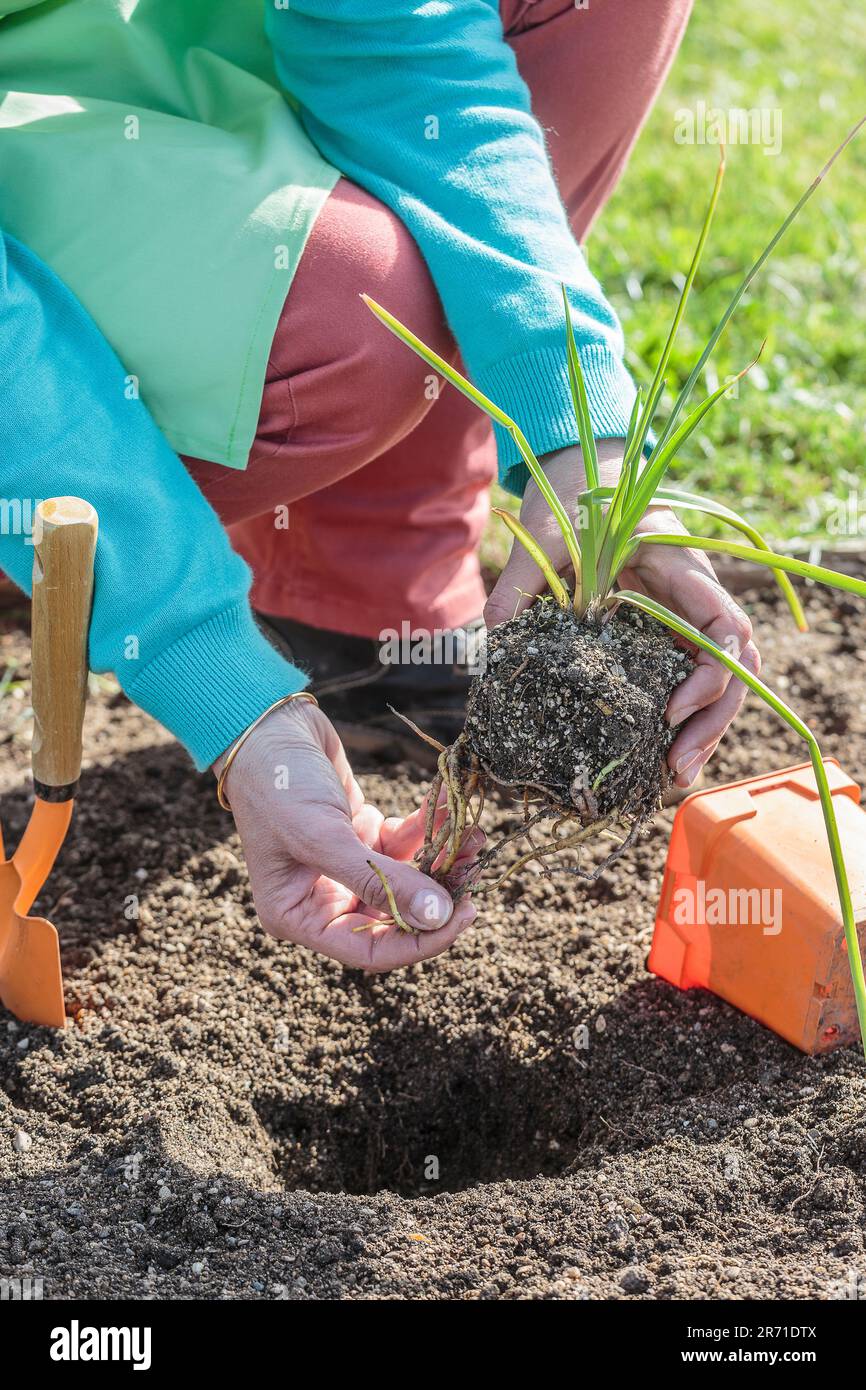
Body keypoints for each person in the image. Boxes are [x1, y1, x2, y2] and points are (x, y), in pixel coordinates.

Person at [0, 0, 759, 972]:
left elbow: (398, 36)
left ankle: (357, 593)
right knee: (352, 314)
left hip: (146, 44)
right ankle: (32, 548)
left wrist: (579, 437)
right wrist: (219, 682)